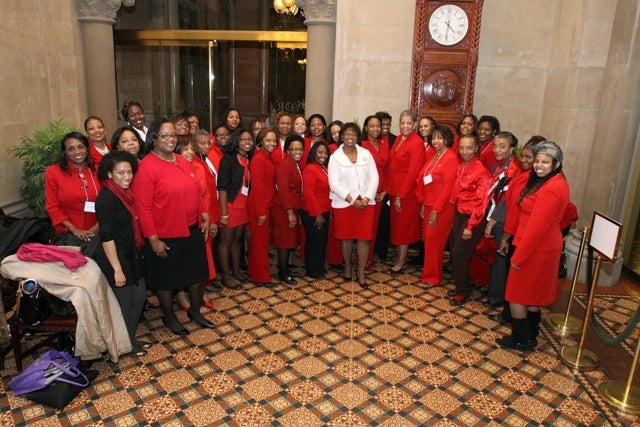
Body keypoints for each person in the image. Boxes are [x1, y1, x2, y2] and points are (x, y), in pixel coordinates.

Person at [132, 119, 213, 335]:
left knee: (198, 274)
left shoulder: (181, 160)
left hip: (191, 229)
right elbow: (143, 208)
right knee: (166, 280)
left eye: (173, 135)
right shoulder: (146, 167)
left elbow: (197, 189)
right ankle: (169, 316)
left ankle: (194, 311)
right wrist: (153, 239)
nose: (170, 139)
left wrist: (203, 216)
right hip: (165, 234)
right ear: (154, 139)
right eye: (164, 136)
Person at [497, 141, 570, 351]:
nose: (539, 165)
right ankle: (531, 333)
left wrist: (519, 257)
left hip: (535, 249)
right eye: (537, 160)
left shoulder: (552, 188)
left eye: (545, 162)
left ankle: (521, 339)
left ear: (556, 164)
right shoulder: (550, 182)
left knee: (516, 295)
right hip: (537, 246)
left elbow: (537, 227)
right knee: (532, 295)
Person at [95, 150, 149, 356]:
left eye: (129, 172)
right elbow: (106, 237)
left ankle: (129, 339)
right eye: (120, 173)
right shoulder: (106, 199)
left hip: (130, 252)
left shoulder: (125, 194)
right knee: (125, 302)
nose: (126, 177)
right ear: (109, 174)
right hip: (114, 257)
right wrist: (117, 270)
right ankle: (121, 345)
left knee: (140, 295)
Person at [328, 123, 379, 287]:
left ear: (358, 137)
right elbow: (334, 183)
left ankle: (361, 271)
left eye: (353, 134)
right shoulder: (335, 157)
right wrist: (352, 200)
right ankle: (348, 267)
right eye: (347, 134)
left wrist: (367, 197)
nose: (350, 137)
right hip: (344, 203)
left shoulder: (366, 154)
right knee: (346, 238)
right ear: (341, 137)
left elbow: (374, 177)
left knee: (364, 238)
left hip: (365, 203)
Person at [449, 134, 491, 305]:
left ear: (476, 149)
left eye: (469, 148)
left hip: (473, 217)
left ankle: (463, 291)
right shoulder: (462, 165)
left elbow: (482, 203)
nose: (465, 151)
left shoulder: (481, 171)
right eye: (462, 148)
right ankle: (461, 285)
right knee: (455, 250)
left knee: (460, 253)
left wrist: (470, 227)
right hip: (460, 213)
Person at [483, 131, 523, 309]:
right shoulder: (500, 165)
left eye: (502, 146)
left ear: (512, 148)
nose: (497, 150)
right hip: (494, 215)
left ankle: (497, 297)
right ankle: (493, 290)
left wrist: (492, 222)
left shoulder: (514, 169)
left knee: (500, 259)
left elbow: (508, 200)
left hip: (502, 221)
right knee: (495, 257)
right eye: (495, 146)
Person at [45, 132, 101, 255]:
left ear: (87, 148)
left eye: (80, 147)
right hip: (67, 234)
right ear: (65, 152)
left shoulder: (99, 170)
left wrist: (98, 227)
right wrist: (74, 230)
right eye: (71, 149)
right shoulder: (53, 172)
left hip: (98, 229)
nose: (77, 152)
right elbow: (52, 207)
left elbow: (108, 203)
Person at [416, 125, 458, 286]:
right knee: (429, 241)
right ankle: (430, 273)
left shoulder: (450, 158)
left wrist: (436, 210)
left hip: (441, 208)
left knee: (434, 242)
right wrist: (423, 205)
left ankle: (432, 278)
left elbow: (448, 188)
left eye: (440, 138)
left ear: (447, 139)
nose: (436, 141)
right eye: (434, 137)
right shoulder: (435, 155)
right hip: (429, 204)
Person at [386, 110, 425, 273]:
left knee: (404, 228)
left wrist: (400, 195)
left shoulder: (416, 142)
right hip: (396, 189)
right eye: (403, 122)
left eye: (409, 123)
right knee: (397, 226)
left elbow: (413, 172)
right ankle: (399, 257)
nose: (405, 126)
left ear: (415, 125)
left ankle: (402, 262)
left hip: (406, 193)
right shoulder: (399, 139)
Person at [217, 128, 254, 289]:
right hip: (230, 206)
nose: (248, 142)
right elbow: (222, 187)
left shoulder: (248, 158)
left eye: (250, 140)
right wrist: (224, 213)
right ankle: (225, 276)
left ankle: (236, 271)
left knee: (238, 240)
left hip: (243, 206)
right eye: (244, 139)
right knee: (226, 242)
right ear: (236, 141)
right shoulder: (228, 160)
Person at [271, 134, 304, 284]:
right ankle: (283, 273)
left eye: (300, 148)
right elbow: (283, 190)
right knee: (284, 242)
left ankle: (286, 269)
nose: (298, 151)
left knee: (289, 241)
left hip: (292, 207)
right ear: (287, 151)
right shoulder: (284, 164)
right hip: (283, 210)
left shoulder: (294, 164)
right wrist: (290, 212)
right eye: (294, 149)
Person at [247, 128, 277, 287]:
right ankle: (261, 277)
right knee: (260, 243)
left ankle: (254, 271)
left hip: (264, 204)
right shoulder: (259, 159)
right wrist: (261, 212)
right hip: (259, 206)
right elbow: (257, 187)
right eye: (268, 140)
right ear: (261, 141)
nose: (271, 143)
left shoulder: (267, 156)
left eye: (274, 140)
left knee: (258, 241)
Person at [361, 115, 389, 264]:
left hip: (381, 192)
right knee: (366, 228)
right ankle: (362, 260)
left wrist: (384, 191)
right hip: (367, 192)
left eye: (378, 126)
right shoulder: (361, 145)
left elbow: (387, 169)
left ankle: (369, 258)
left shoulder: (384, 143)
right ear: (366, 128)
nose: (375, 129)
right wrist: (372, 192)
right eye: (372, 126)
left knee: (375, 227)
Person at [301, 141, 331, 278]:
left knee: (320, 242)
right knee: (314, 243)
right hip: (313, 212)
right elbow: (309, 194)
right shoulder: (311, 169)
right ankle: (313, 271)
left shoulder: (323, 168)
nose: (323, 155)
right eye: (320, 152)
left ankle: (318, 267)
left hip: (323, 211)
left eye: (325, 152)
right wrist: (317, 214)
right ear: (313, 153)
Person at [374, 111, 396, 261]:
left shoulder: (396, 140)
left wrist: (386, 189)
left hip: (389, 186)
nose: (386, 126)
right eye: (383, 124)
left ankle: (382, 250)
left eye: (389, 123)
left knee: (385, 221)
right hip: (372, 188)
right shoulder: (369, 140)